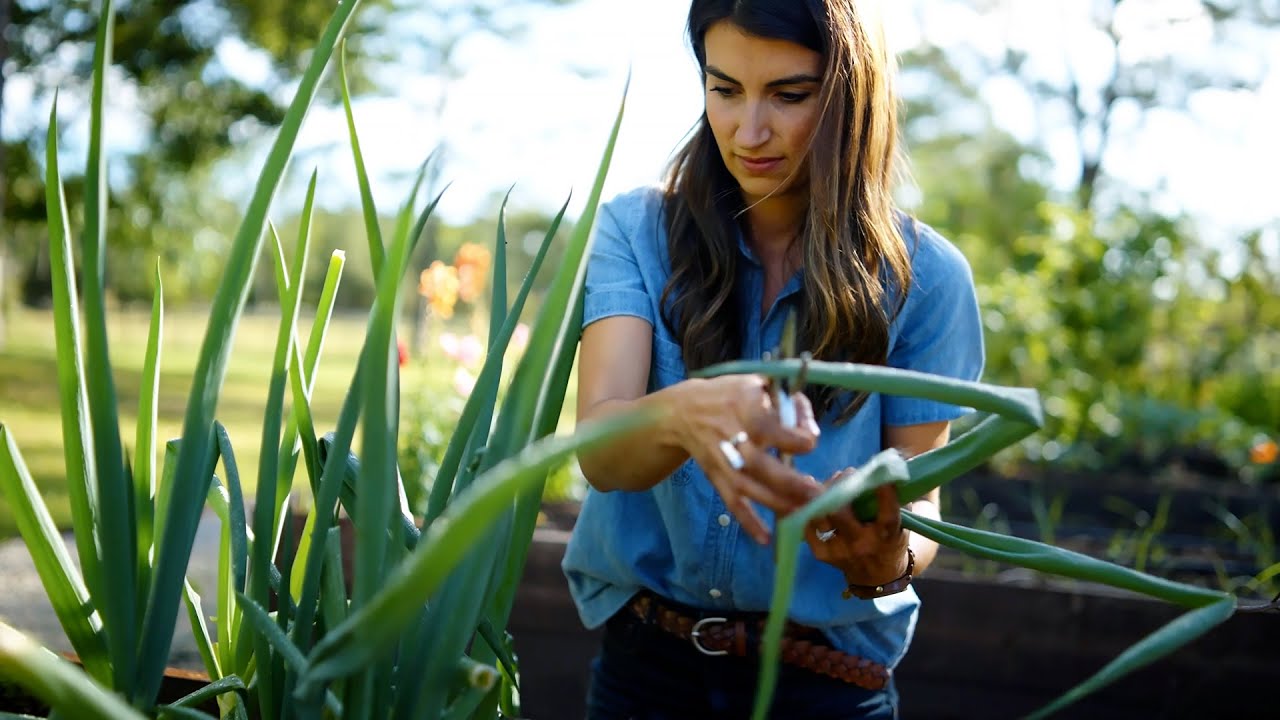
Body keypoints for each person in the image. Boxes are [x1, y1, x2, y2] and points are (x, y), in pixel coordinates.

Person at [563, 0, 984, 717]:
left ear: (853, 95)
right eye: (724, 89)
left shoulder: (928, 279)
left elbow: (920, 506)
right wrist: (682, 414)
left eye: (789, 95)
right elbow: (601, 450)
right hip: (648, 672)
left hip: (829, 683)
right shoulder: (633, 232)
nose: (747, 131)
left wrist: (885, 559)